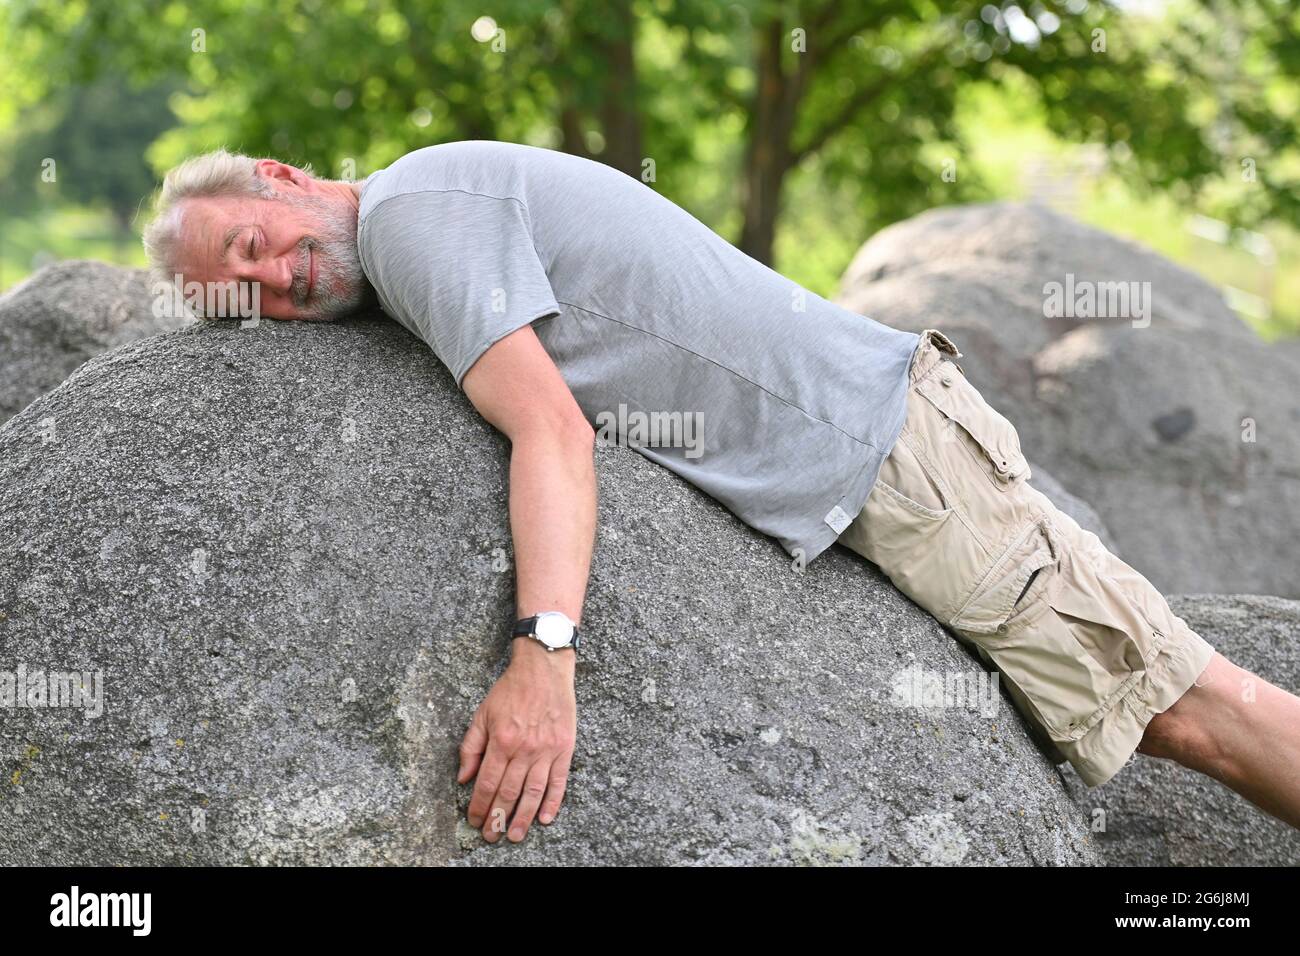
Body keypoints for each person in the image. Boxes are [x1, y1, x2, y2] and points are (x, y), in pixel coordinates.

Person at [142, 139, 1300, 844]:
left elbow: (549, 431)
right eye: (245, 299)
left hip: (894, 456)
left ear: (284, 178)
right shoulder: (425, 219)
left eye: (250, 242)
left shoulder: (408, 220)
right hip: (882, 459)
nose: (271, 281)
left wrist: (543, 656)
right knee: (1179, 712)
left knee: (1194, 708)